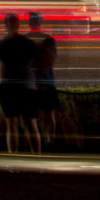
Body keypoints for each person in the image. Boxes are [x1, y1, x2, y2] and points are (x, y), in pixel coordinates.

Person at [0, 13, 41, 153]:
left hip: (9, 87)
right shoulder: (28, 43)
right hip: (28, 87)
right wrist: (36, 80)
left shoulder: (2, 43)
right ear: (19, 25)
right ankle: (37, 157)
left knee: (12, 124)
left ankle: (14, 159)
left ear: (6, 25)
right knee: (31, 124)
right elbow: (41, 62)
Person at [27, 12, 60, 143]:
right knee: (47, 115)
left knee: (33, 117)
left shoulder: (26, 39)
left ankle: (39, 142)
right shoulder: (48, 39)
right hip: (46, 82)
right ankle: (48, 141)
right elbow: (51, 60)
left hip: (33, 83)